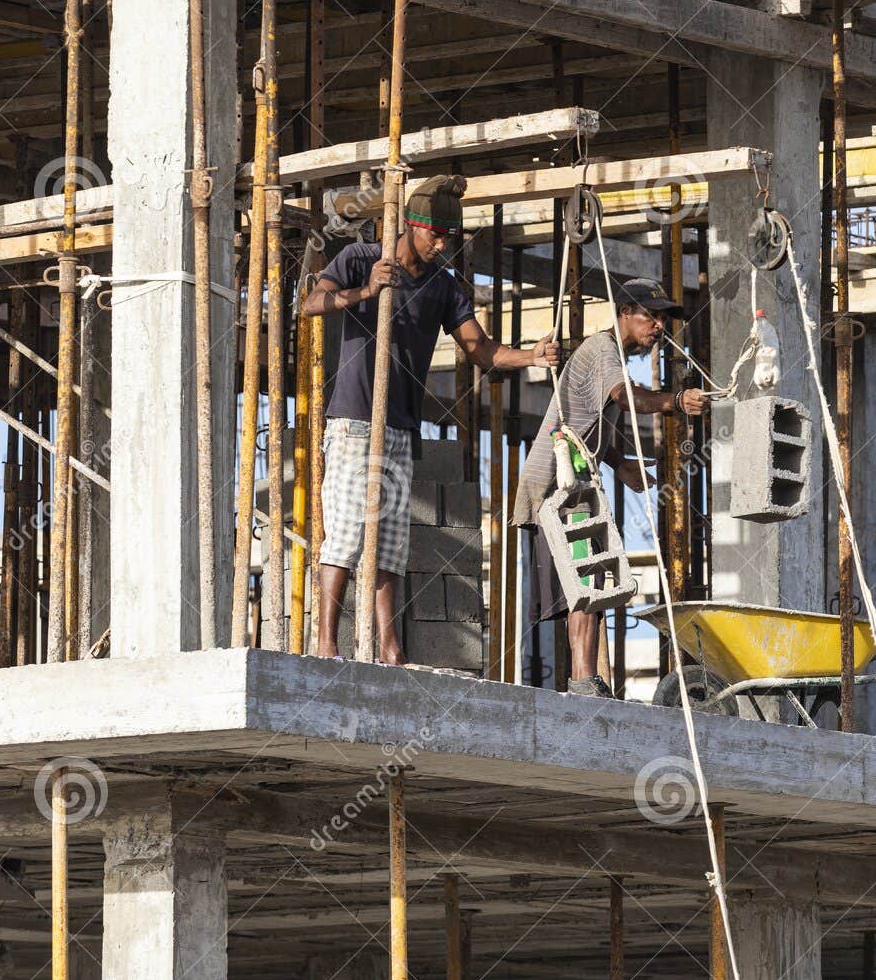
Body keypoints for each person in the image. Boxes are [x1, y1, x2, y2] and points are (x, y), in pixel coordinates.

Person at [302, 173, 558, 663]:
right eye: (435, 234)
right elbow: (311, 304)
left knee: (392, 543)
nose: (442, 244)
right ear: (410, 226)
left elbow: (479, 349)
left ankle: (390, 649)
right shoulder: (361, 259)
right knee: (349, 534)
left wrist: (531, 357)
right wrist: (363, 293)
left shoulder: (443, 287)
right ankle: (326, 644)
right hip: (354, 420)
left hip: (400, 428)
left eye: (449, 237)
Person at [512, 279, 708, 696]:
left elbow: (593, 419)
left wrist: (621, 466)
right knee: (584, 581)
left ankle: (585, 678)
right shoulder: (603, 350)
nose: (658, 327)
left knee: (591, 578)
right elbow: (623, 399)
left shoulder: (611, 354)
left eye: (661, 319)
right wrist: (674, 401)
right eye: (649, 317)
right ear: (623, 313)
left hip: (575, 482)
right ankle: (583, 679)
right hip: (556, 486)